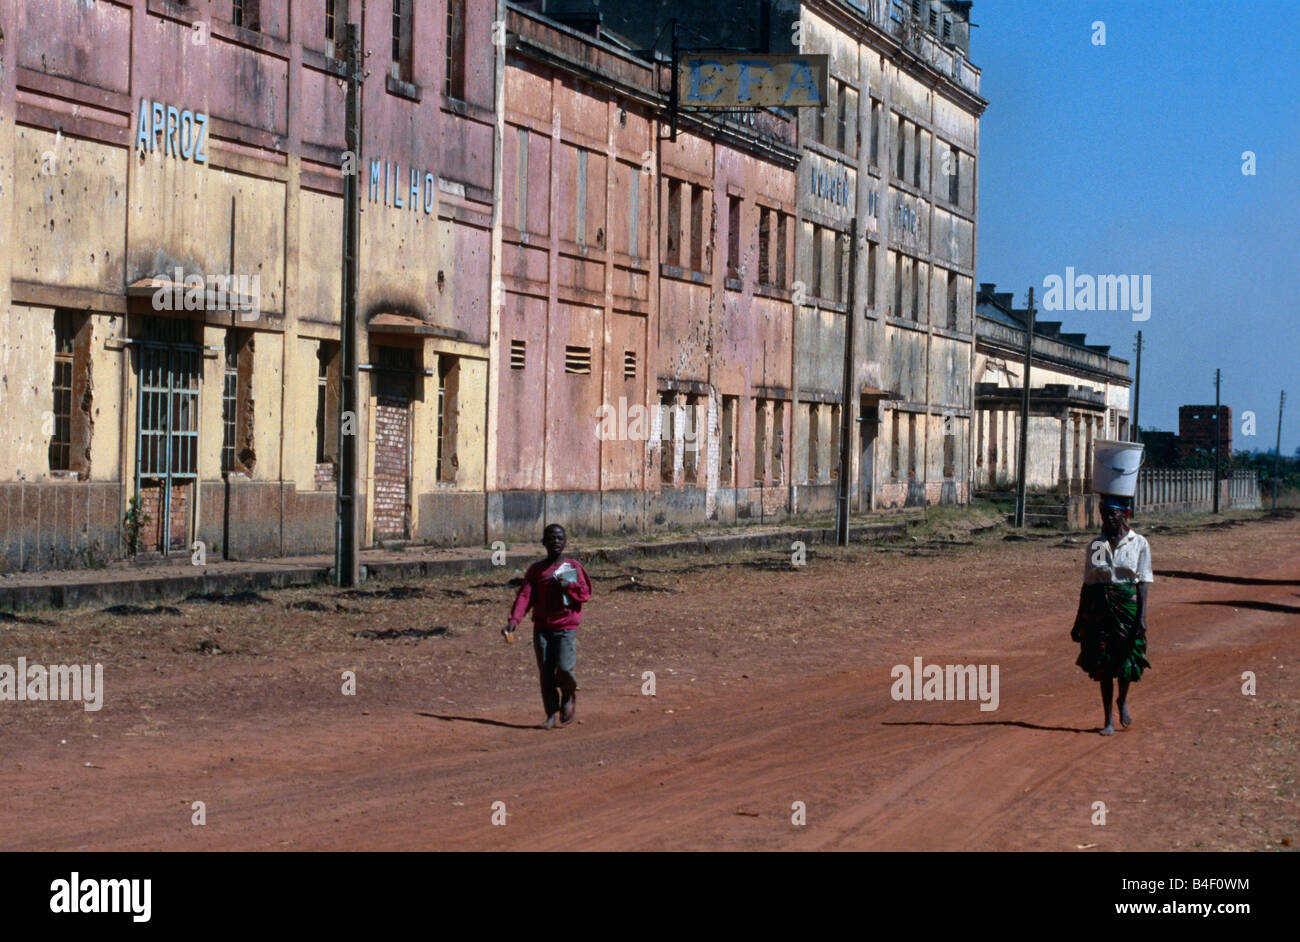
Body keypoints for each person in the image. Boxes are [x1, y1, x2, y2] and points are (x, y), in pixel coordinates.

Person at [1071, 494, 1153, 735]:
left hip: (1127, 606)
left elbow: (1143, 582)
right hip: (1101, 609)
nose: (1108, 518)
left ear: (1124, 515)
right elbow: (1090, 583)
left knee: (1125, 661)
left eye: (1113, 514)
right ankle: (1108, 720)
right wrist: (1079, 621)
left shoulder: (1138, 543)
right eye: (1105, 514)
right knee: (1104, 663)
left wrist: (1142, 617)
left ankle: (1122, 700)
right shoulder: (1097, 546)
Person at [504, 524, 593, 729]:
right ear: (543, 542)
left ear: (565, 542)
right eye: (551, 538)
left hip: (566, 627)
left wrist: (568, 586)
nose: (555, 542)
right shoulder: (537, 571)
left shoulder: (572, 568)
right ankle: (551, 714)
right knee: (546, 673)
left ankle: (568, 694)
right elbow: (525, 596)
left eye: (560, 538)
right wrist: (513, 621)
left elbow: (585, 593)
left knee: (564, 669)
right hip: (543, 628)